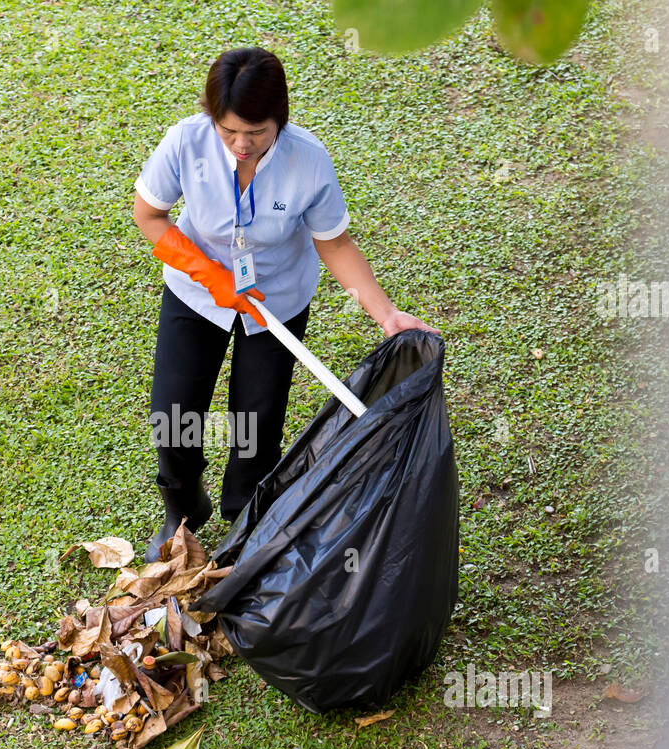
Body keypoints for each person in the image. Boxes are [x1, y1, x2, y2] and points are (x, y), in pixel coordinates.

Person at [133, 46, 440, 561]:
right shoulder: (186, 141)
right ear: (212, 118)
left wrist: (386, 314)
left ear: (281, 118)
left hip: (275, 300)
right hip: (195, 294)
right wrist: (210, 275)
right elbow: (150, 215)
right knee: (174, 412)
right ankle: (183, 510)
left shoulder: (309, 162)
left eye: (256, 133)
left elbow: (336, 244)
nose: (241, 145)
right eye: (228, 131)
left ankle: (244, 519)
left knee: (257, 420)